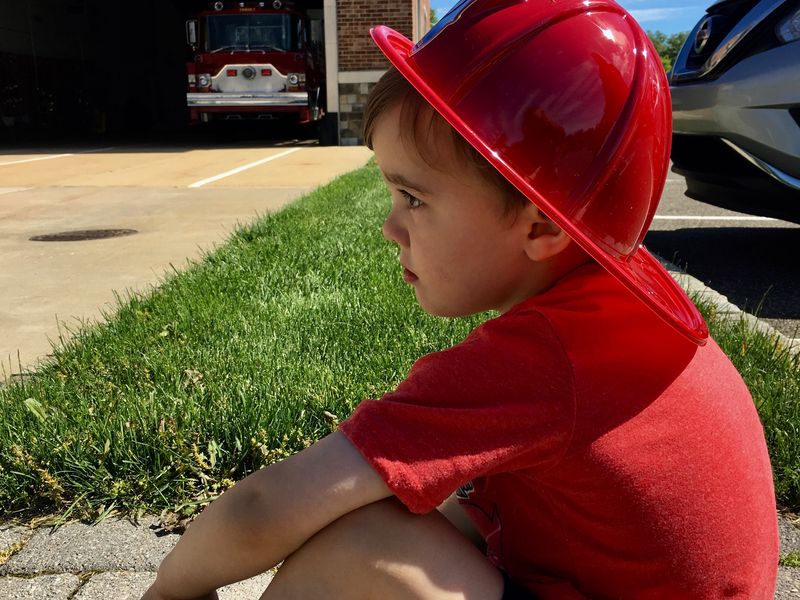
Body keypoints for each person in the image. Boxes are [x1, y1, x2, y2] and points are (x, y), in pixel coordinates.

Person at [142, 1, 778, 598]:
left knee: (367, 542)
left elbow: (263, 510)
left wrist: (170, 589)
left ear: (542, 226)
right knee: (414, 503)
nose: (391, 227)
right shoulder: (612, 316)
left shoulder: (537, 360)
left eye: (413, 198)